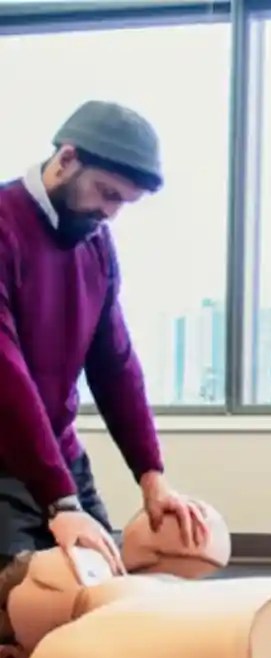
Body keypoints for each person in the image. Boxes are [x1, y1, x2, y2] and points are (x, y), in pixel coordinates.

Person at [0, 100, 209, 576]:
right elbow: (5, 376)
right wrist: (59, 502)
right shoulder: (4, 226)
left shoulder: (95, 240)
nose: (110, 213)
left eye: (123, 203)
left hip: (59, 457)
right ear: (67, 159)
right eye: (105, 193)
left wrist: (151, 475)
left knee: (119, 584)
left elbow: (115, 364)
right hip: (6, 464)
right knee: (47, 596)